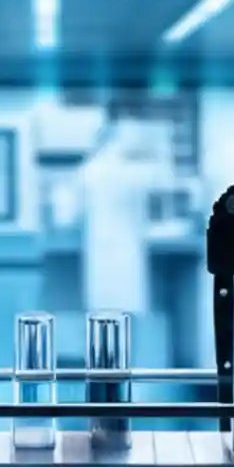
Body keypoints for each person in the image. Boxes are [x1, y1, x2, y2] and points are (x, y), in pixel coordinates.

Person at [81, 114, 155, 316]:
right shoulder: (128, 171)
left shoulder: (89, 170)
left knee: (103, 308)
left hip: (101, 244)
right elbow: (154, 179)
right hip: (124, 245)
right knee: (126, 307)